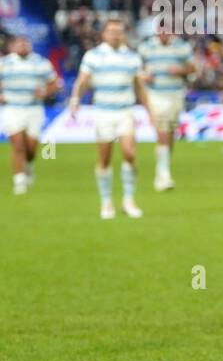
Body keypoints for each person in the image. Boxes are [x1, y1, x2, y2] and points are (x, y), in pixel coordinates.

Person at [68, 18, 147, 219]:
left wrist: (150, 110)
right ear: (103, 34)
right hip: (103, 112)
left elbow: (139, 87)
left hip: (125, 111)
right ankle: (106, 202)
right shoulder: (93, 56)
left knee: (129, 153)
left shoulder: (131, 56)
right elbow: (83, 80)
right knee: (105, 158)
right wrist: (76, 98)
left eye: (119, 31)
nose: (116, 35)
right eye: (112, 31)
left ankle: (128, 200)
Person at [1, 35, 60, 195]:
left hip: (34, 109)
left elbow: (55, 83)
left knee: (31, 149)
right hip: (12, 108)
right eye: (19, 44)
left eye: (25, 43)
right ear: (13, 46)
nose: (22, 46)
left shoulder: (41, 63)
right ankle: (19, 181)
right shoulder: (4, 63)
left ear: (30, 45)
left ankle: (28, 166)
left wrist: (46, 91)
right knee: (18, 145)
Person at [139, 27, 195, 191]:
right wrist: (144, 76)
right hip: (155, 94)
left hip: (175, 94)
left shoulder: (182, 47)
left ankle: (163, 169)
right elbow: (136, 68)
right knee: (162, 132)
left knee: (169, 133)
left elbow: (192, 68)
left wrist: (181, 70)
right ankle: (163, 175)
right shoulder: (146, 47)